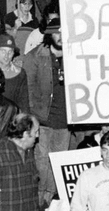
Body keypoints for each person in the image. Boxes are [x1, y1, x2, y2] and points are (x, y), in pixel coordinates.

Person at [21, 18, 70, 206]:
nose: (60, 36)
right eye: (56, 32)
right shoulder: (35, 55)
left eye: (63, 31)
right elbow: (29, 89)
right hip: (43, 119)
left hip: (65, 121)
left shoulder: (75, 55)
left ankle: (49, 200)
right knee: (41, 162)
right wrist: (32, 119)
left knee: (58, 163)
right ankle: (39, 197)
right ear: (49, 34)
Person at [0, 33, 28, 113]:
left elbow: (24, 102)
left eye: (10, 52)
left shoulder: (19, 73)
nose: (6, 56)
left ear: (13, 54)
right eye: (3, 51)